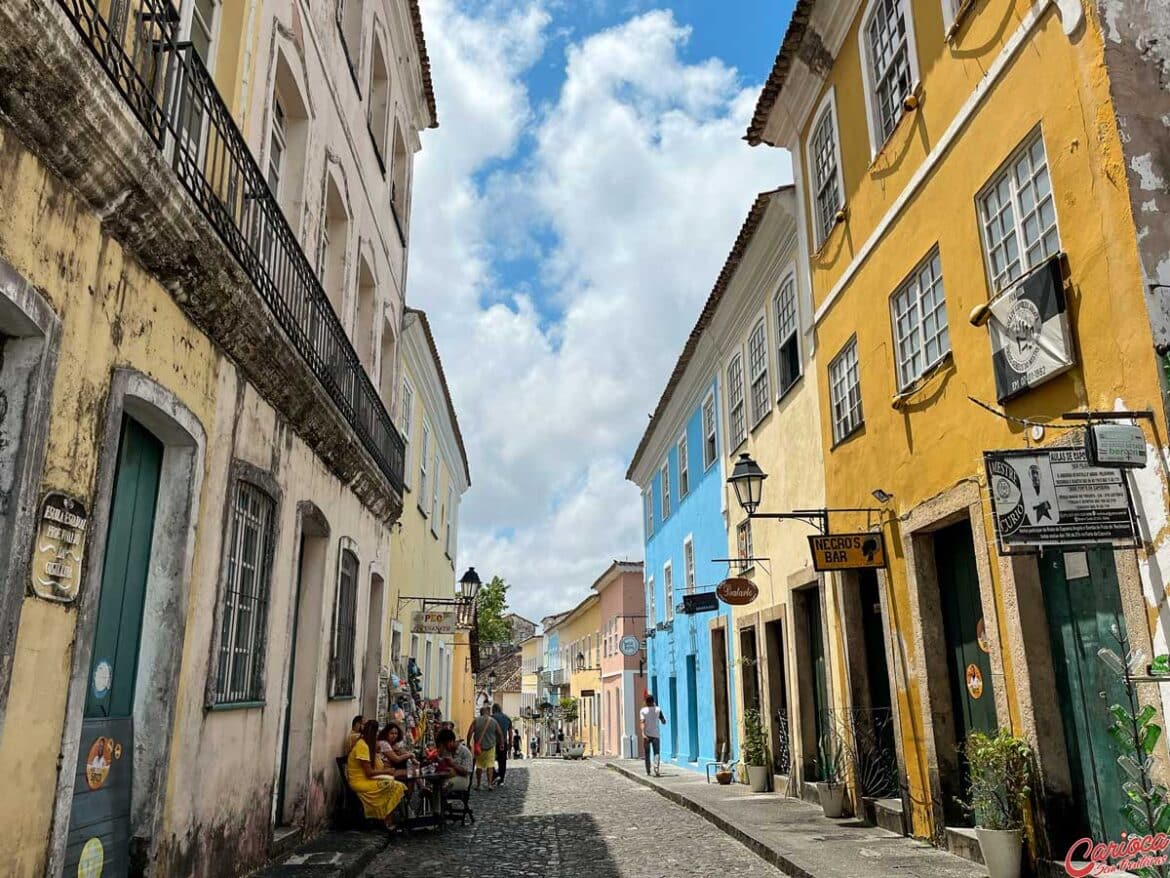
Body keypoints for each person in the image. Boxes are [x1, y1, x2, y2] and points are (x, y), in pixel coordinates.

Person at [346, 719, 407, 828]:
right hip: (360, 782)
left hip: (367, 779)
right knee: (395, 786)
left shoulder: (367, 746)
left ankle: (386, 818)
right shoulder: (362, 746)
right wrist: (386, 771)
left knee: (394, 783)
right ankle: (386, 819)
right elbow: (369, 772)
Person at [466, 706, 501, 790]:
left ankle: (478, 784)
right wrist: (501, 743)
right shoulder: (493, 721)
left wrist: (468, 743)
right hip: (491, 746)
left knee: (479, 765)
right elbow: (499, 733)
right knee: (490, 765)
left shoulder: (476, 720)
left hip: (479, 747)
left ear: (481, 713)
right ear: (488, 713)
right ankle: (489, 784)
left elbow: (470, 732)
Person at [437, 727, 473, 793]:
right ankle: (440, 802)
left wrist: (453, 764)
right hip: (447, 777)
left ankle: (442, 802)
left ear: (451, 741)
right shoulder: (446, 751)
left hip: (462, 779)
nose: (445, 747)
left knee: (442, 786)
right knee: (435, 785)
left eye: (445, 745)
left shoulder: (465, 752)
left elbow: (466, 772)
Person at [640, 694, 665, 777]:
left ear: (646, 702)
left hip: (646, 735)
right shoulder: (658, 709)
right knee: (656, 753)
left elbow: (642, 722)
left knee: (647, 753)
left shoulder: (643, 710)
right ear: (653, 701)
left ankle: (648, 770)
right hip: (656, 735)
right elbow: (663, 721)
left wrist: (643, 733)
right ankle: (656, 768)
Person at [492, 703, 512, 786]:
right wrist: (510, 744)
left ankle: (495, 775)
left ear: (493, 709)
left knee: (489, 761)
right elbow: (510, 733)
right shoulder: (507, 718)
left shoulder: (492, 718)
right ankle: (501, 779)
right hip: (503, 742)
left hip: (493, 742)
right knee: (502, 762)